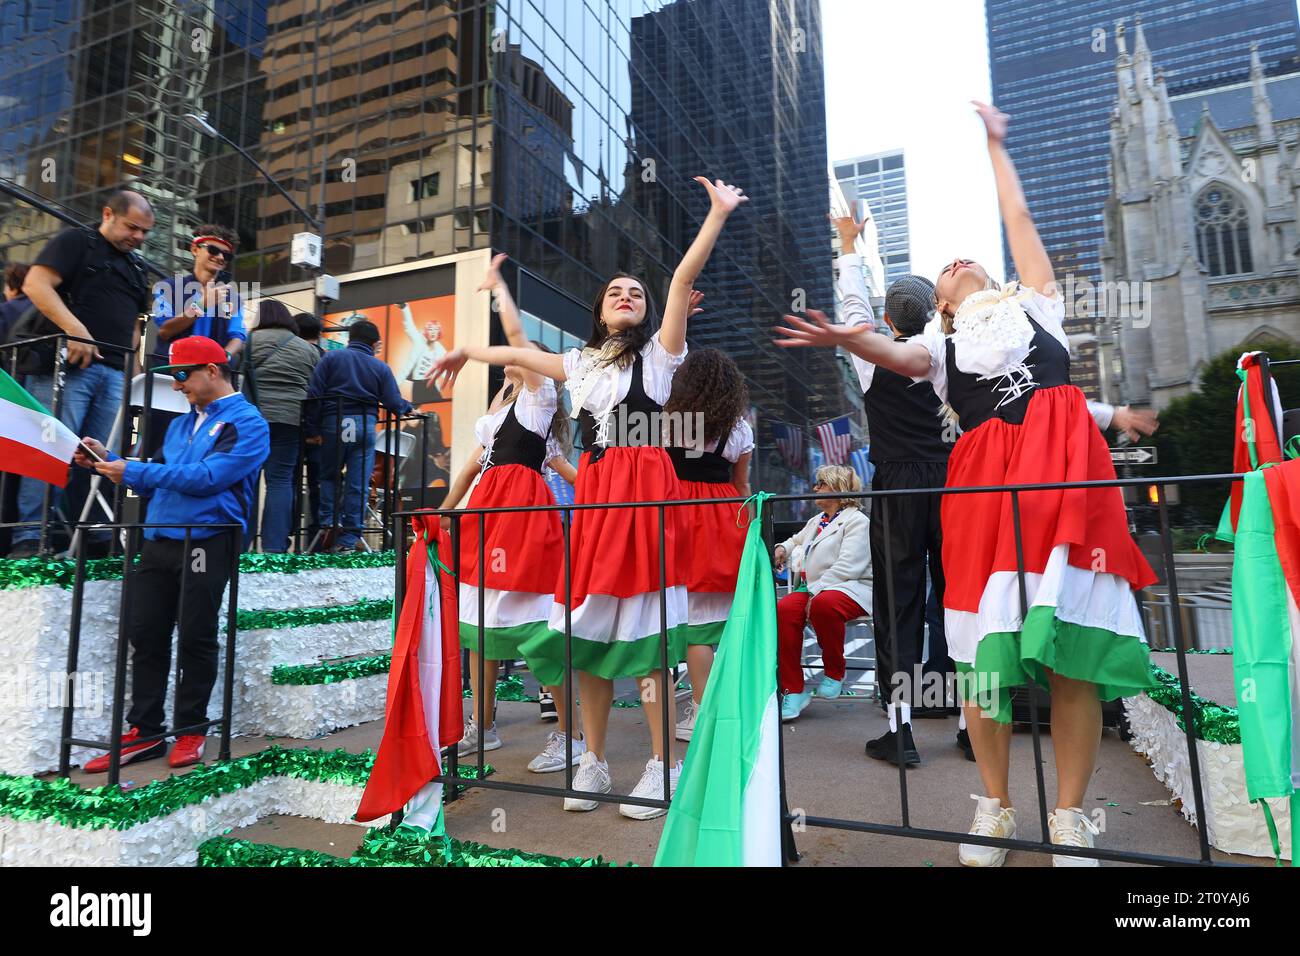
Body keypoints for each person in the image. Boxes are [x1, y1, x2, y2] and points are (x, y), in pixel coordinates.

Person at [776, 101, 1159, 866]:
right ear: (941, 306)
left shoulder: (1039, 304)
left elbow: (1017, 216)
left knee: (1070, 657)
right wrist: (847, 333)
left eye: (963, 256)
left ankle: (1071, 816)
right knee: (985, 663)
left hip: (1065, 486)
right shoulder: (937, 349)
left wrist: (994, 146)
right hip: (985, 491)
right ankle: (996, 808)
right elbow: (897, 358)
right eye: (945, 269)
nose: (955, 261)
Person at [432, 176, 747, 818]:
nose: (627, 296)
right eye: (615, 292)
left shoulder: (661, 359)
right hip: (599, 496)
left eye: (636, 292)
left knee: (651, 636)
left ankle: (664, 765)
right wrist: (469, 348)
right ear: (601, 313)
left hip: (645, 495)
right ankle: (594, 761)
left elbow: (683, 281)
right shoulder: (583, 365)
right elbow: (521, 352)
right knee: (586, 634)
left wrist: (715, 215)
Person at [77, 336, 269, 771]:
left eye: (182, 375)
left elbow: (207, 477)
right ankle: (145, 732)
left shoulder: (249, 422)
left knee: (197, 634)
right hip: (159, 539)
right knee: (144, 633)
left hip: (206, 542)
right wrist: (107, 460)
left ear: (213, 370)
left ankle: (190, 730)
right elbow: (157, 477)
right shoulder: (183, 424)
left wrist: (136, 469)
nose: (177, 385)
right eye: (173, 377)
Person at [439, 253, 581, 769]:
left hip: (523, 513)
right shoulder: (497, 414)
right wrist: (444, 513)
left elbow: (518, 336)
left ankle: (571, 737)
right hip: (487, 513)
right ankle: (485, 725)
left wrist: (500, 288)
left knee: (540, 627)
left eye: (519, 353)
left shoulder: (541, 399)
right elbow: (472, 467)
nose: (510, 356)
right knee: (480, 626)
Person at [9, 190, 155, 558]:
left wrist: (134, 376)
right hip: (67, 367)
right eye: (132, 227)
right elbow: (36, 284)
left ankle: (90, 533)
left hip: (113, 372)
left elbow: (134, 328)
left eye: (144, 232)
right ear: (108, 214)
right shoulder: (76, 240)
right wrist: (76, 331)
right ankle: (30, 536)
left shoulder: (137, 267)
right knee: (51, 449)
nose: (138, 236)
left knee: (100, 458)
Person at [661, 346, 753, 743]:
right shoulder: (739, 429)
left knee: (688, 625)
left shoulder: (664, 422)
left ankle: (702, 714)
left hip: (676, 515)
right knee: (710, 623)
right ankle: (712, 707)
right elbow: (742, 485)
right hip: (723, 519)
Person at [773, 465, 872, 724]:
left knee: (824, 605)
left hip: (850, 588)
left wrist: (815, 593)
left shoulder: (857, 521)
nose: (815, 488)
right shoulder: (817, 521)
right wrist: (782, 548)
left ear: (838, 489)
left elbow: (848, 567)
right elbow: (795, 540)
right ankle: (793, 690)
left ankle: (834, 672)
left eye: (821, 483)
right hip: (816, 589)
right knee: (783, 610)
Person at [304, 319, 413, 552]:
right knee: (358, 481)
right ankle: (350, 536)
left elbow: (314, 393)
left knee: (330, 476)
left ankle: (329, 522)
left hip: (336, 422)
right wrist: (407, 407)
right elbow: (393, 402)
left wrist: (312, 430)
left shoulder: (331, 358)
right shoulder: (380, 367)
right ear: (374, 344)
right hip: (365, 425)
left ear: (350, 339)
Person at [245, 301, 320, 552]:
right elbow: (314, 389)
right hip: (290, 419)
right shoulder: (307, 349)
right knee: (280, 481)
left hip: (252, 420)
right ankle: (274, 548)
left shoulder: (248, 342)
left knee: (249, 480)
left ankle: (241, 544)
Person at [150, 226, 246, 368]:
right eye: (213, 250)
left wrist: (223, 357)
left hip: (213, 376)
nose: (220, 257)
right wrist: (202, 305)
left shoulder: (232, 297)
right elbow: (165, 331)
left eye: (226, 255)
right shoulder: (167, 287)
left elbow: (237, 335)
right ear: (195, 250)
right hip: (173, 373)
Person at [398, 302, 447, 403]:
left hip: (431, 383)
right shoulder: (419, 340)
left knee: (439, 405)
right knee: (418, 411)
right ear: (426, 331)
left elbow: (447, 369)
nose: (433, 332)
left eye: (436, 329)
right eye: (430, 329)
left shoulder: (440, 350)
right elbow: (410, 327)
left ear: (439, 332)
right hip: (418, 384)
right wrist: (405, 308)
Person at [0, 263, 33, 346]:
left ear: (14, 287)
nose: (4, 291)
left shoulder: (5, 309)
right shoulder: (45, 307)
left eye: (6, 285)